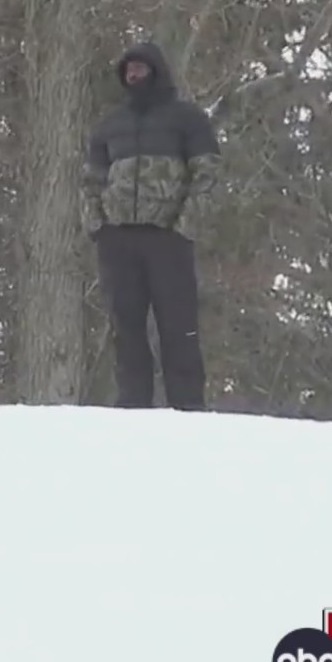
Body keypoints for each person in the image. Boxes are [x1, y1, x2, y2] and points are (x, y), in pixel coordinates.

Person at [80, 40, 223, 410]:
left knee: (179, 330)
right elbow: (91, 181)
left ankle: (188, 410)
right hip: (118, 242)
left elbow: (208, 174)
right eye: (128, 70)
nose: (133, 75)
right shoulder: (109, 126)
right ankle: (132, 410)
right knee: (125, 331)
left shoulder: (187, 119)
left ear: (156, 71)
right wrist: (98, 226)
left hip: (168, 239)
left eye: (140, 69)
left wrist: (185, 226)